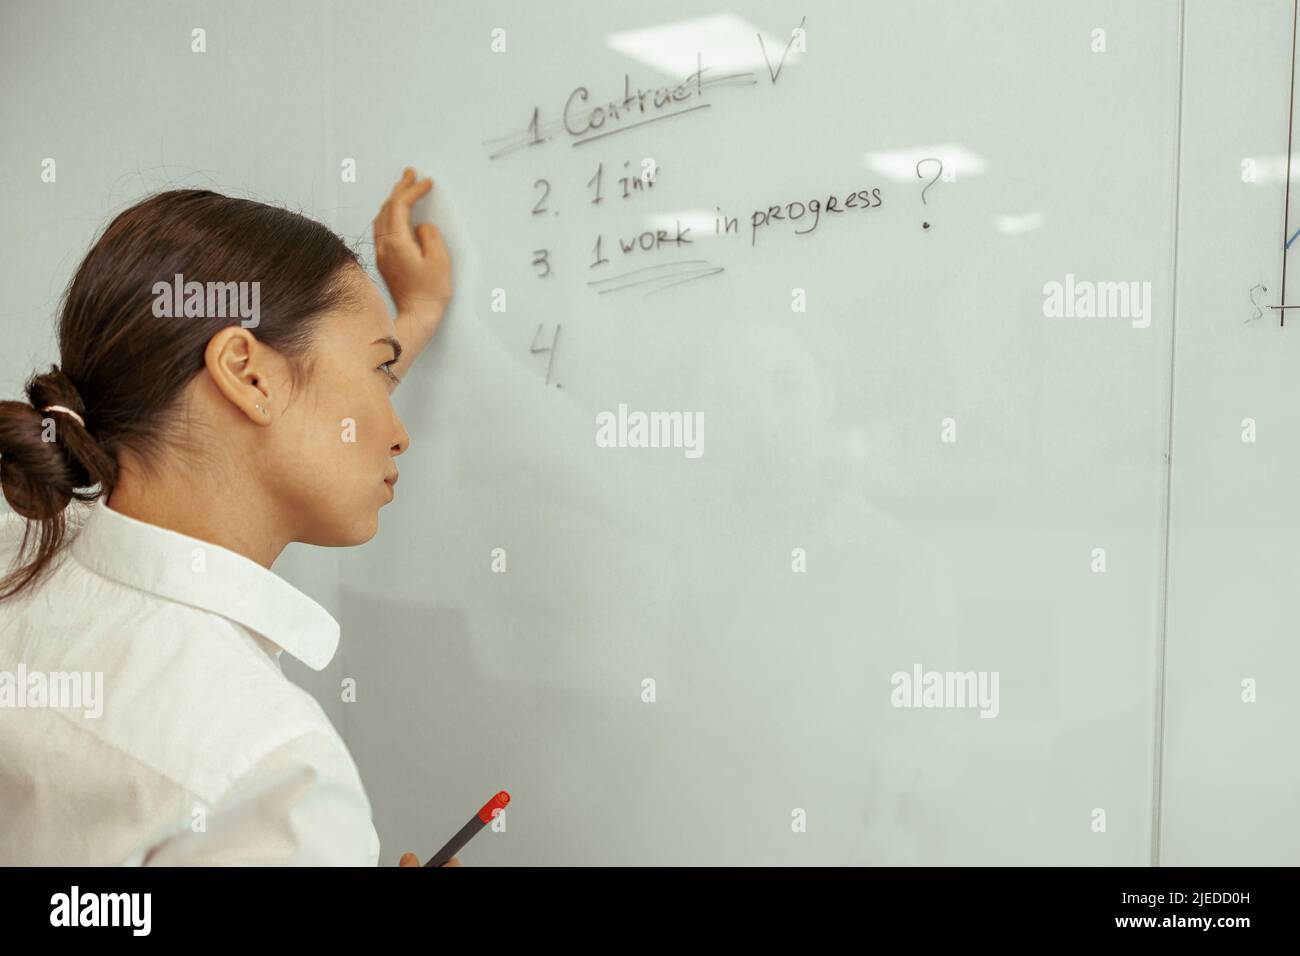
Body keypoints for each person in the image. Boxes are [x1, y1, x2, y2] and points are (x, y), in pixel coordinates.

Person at [0, 168, 457, 866]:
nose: (398, 433)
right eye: (377, 370)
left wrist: (405, 329)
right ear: (247, 373)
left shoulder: (21, 550)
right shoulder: (273, 776)